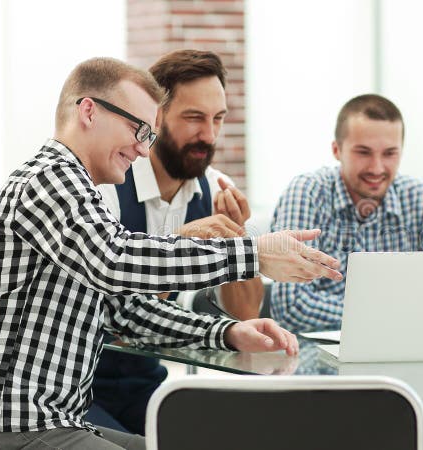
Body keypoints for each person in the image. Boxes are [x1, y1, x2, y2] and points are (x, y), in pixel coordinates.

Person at [0, 56, 341, 450]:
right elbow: (116, 261)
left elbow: (122, 309)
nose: (143, 150)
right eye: (138, 129)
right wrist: (251, 253)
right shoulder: (48, 180)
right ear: (89, 112)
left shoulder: (80, 192)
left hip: (49, 422)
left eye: (149, 134)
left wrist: (226, 332)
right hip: (3, 426)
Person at [87, 49, 265, 435]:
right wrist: (179, 243)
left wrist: (241, 246)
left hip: (146, 385)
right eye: (194, 118)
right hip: (80, 386)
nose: (209, 135)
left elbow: (246, 312)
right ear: (156, 116)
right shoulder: (109, 186)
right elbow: (116, 314)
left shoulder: (215, 189)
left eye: (217, 119)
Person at [270, 93, 423, 333]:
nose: (377, 168)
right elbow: (291, 307)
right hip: (319, 356)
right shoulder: (308, 192)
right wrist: (397, 318)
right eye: (363, 152)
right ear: (336, 150)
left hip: (408, 351)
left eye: (390, 153)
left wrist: (384, 320)